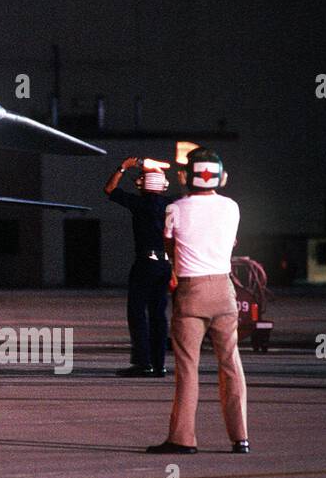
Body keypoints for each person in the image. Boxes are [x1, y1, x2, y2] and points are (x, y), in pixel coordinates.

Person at [147, 148, 249, 454]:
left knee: (188, 368)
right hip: (224, 290)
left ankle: (183, 438)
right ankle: (240, 437)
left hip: (192, 292)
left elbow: (169, 245)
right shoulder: (232, 207)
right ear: (221, 177)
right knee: (231, 363)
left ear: (184, 176)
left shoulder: (175, 209)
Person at [104, 156, 175, 377]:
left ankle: (143, 362)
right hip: (165, 264)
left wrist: (123, 166)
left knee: (137, 312)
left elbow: (109, 189)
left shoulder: (139, 203)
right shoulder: (172, 205)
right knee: (159, 314)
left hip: (145, 263)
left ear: (143, 184)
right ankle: (159, 364)